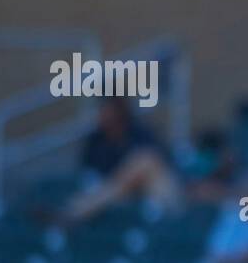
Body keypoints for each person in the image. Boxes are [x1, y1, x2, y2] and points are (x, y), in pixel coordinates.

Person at [55, 96, 182, 224]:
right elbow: (92, 174)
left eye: (107, 110)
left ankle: (77, 210)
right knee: (117, 186)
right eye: (101, 110)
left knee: (145, 160)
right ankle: (77, 211)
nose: (102, 114)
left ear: (119, 112)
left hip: (159, 194)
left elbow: (164, 164)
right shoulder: (96, 141)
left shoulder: (139, 133)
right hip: (125, 197)